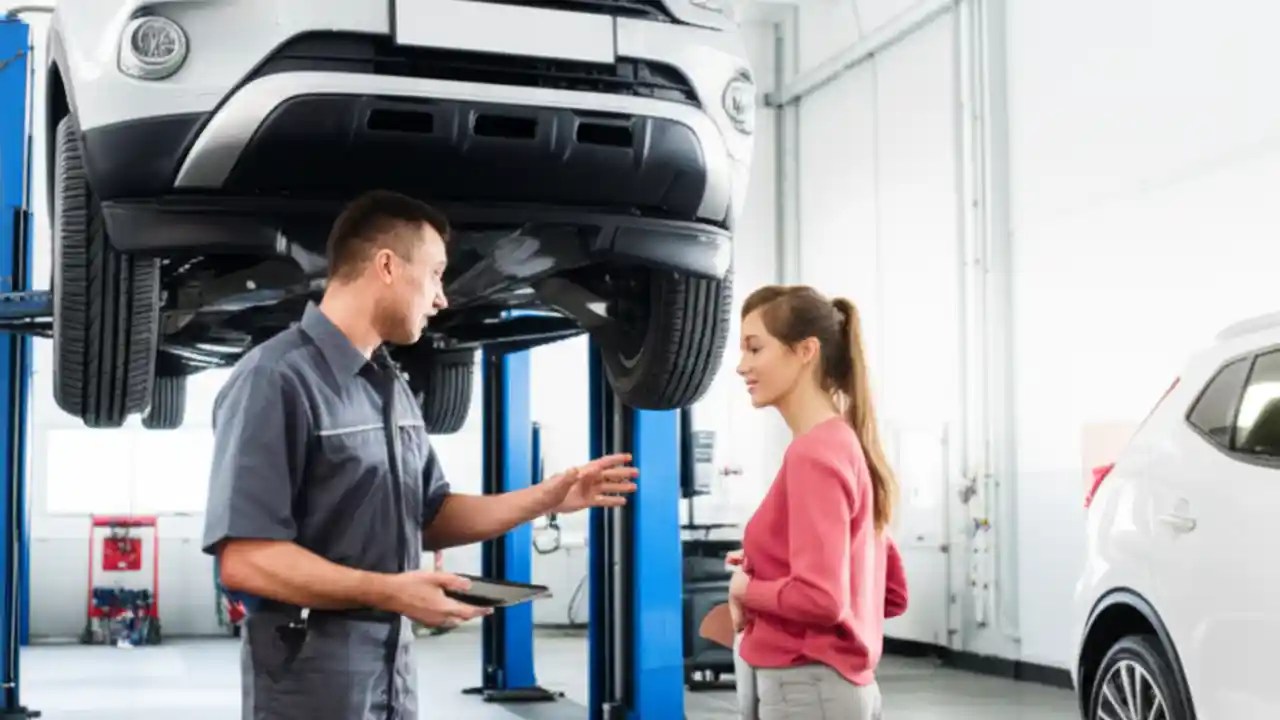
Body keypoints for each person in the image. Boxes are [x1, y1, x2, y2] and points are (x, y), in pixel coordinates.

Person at [200, 189, 639, 720]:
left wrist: (543, 498)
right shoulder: (274, 379)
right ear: (387, 266)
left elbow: (428, 515)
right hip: (310, 684)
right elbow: (247, 560)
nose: (442, 299)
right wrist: (391, 592)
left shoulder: (391, 385)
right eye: (434, 275)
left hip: (392, 679)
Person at [726, 285, 909, 720]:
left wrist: (749, 591)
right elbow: (891, 593)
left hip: (806, 689)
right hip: (835, 688)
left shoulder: (813, 455)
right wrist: (774, 569)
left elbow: (822, 599)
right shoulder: (846, 443)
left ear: (805, 351)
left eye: (755, 349)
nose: (741, 366)